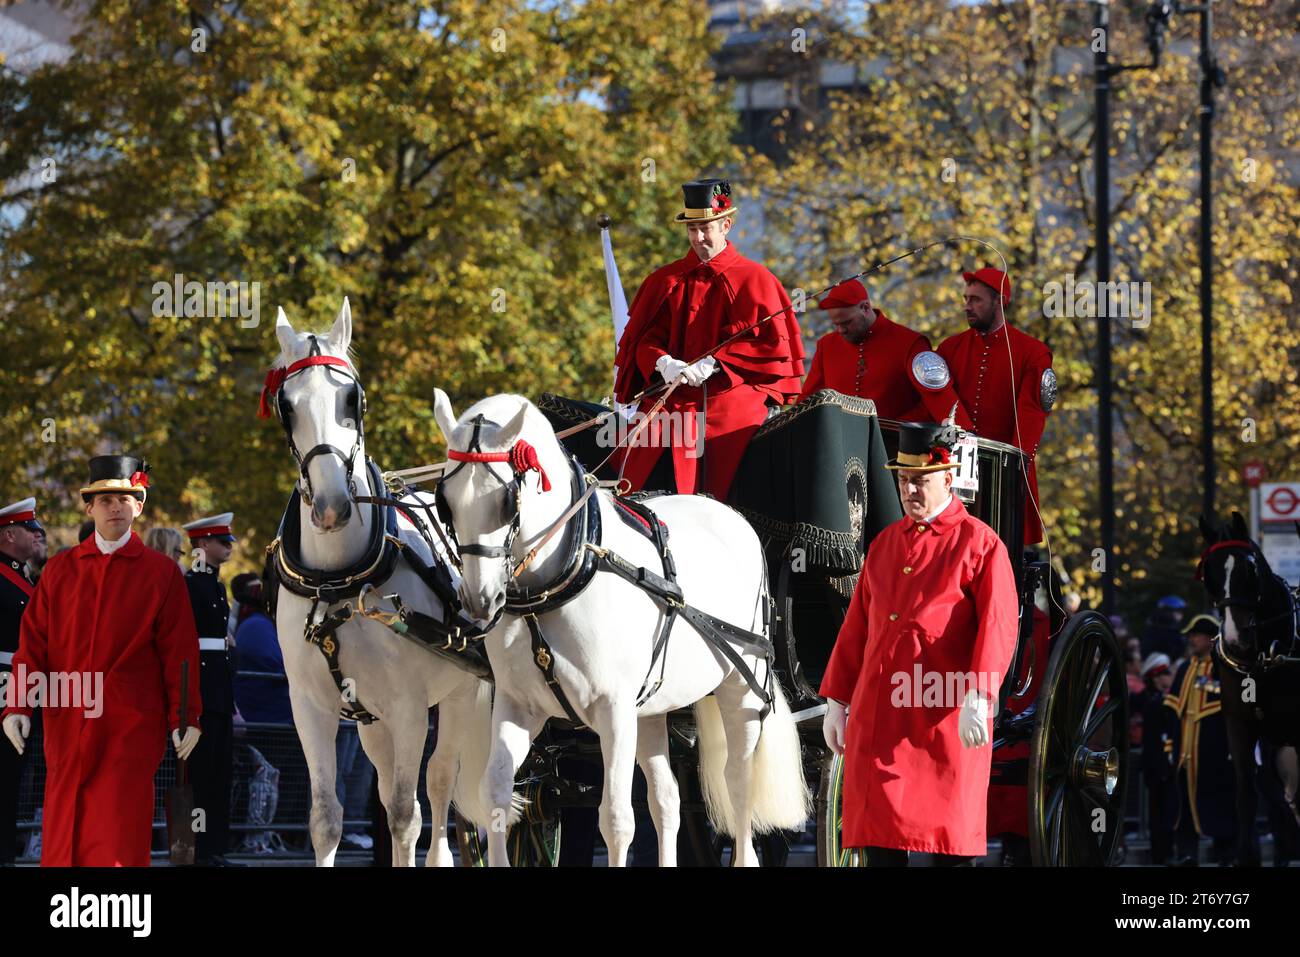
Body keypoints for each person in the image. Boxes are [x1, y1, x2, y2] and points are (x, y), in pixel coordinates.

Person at [820, 421, 1019, 865]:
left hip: (943, 720)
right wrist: (837, 699)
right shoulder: (885, 543)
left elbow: (998, 626)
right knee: (879, 844)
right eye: (903, 480)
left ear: (947, 478)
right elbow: (857, 628)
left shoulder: (981, 544)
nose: (909, 490)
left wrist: (980, 693)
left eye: (920, 481)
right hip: (882, 722)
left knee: (949, 846)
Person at [1, 455, 201, 866]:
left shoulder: (161, 574)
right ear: (89, 507)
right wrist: (17, 703)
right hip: (66, 719)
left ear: (138, 506)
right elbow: (32, 644)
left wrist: (186, 717)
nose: (115, 506)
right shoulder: (58, 570)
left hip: (130, 724)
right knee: (63, 824)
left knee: (117, 830)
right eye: (105, 498)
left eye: (125, 498)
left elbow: (179, 653)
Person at [612, 178, 805, 499]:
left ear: (726, 225)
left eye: (706, 229)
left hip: (728, 394)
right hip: (670, 394)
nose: (699, 238)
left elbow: (770, 347)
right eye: (692, 230)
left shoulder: (756, 279)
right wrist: (663, 361)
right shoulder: (664, 280)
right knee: (634, 451)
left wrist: (717, 363)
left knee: (731, 443)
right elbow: (644, 339)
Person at [936, 267, 1054, 543]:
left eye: (976, 300)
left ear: (999, 301)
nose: (967, 307)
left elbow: (1030, 417)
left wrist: (1013, 471)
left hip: (1006, 472)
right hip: (955, 468)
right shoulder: (949, 348)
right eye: (966, 299)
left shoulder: (1032, 353)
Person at [798, 279, 955, 421]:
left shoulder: (909, 342)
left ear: (866, 308)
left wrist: (897, 428)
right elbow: (808, 401)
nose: (841, 330)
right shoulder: (827, 345)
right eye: (836, 325)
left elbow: (934, 402)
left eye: (846, 323)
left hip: (894, 446)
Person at [182, 512, 242, 866]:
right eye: (222, 542)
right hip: (200, 687)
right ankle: (194, 848)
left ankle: (214, 848)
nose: (228, 548)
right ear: (203, 545)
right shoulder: (191, 585)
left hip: (217, 688)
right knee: (199, 775)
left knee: (219, 773)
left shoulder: (218, 586)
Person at [1166, 614, 1236, 866]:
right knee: (1183, 805)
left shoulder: (1224, 667)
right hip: (1185, 752)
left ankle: (1226, 854)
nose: (1191, 639)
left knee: (1220, 803)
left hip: (1214, 751)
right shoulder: (1185, 668)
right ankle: (1187, 853)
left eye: (1196, 635)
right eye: (1191, 635)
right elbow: (1173, 711)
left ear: (1211, 638)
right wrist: (1170, 746)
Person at [0, 499, 42, 865]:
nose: (37, 535)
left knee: (14, 770)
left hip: (21, 683)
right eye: (31, 529)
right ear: (10, 534)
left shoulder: (25, 577)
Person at [1139, 653, 1178, 865]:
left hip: (1166, 766)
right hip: (1159, 767)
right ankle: (1161, 853)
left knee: (1168, 812)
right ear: (1156, 678)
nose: (1168, 677)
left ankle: (1166, 851)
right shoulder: (1154, 703)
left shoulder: (1163, 700)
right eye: (1164, 674)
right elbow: (1154, 740)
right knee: (1160, 813)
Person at [1141, 595, 1188, 661]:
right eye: (1179, 611)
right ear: (1168, 612)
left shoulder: (1173, 628)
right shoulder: (1160, 630)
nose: (1181, 615)